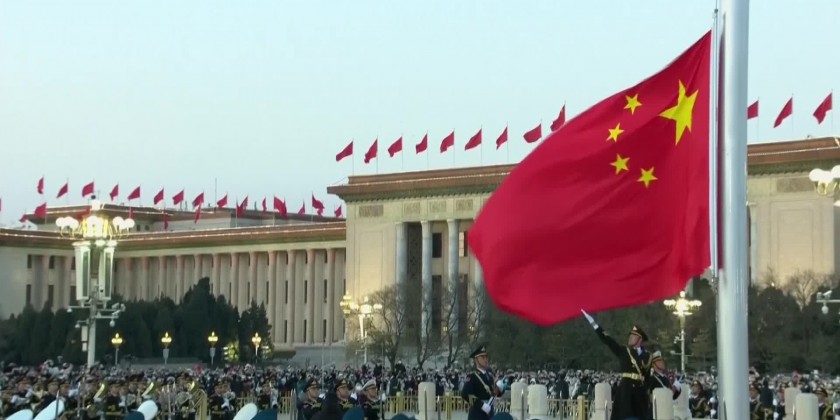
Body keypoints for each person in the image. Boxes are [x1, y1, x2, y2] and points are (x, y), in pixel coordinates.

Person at [581, 309, 651, 420]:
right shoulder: (623, 351)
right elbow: (608, 340)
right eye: (630, 335)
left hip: (640, 393)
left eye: (633, 336)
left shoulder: (648, 356)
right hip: (626, 391)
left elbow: (647, 377)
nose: (630, 338)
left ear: (640, 339)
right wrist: (594, 324)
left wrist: (645, 390)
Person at [461, 344, 504, 420]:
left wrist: (500, 390)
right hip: (477, 414)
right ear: (476, 359)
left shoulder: (490, 375)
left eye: (486, 357)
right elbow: (465, 393)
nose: (485, 359)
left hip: (489, 413)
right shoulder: (472, 376)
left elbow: (493, 393)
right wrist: (481, 405)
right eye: (482, 357)